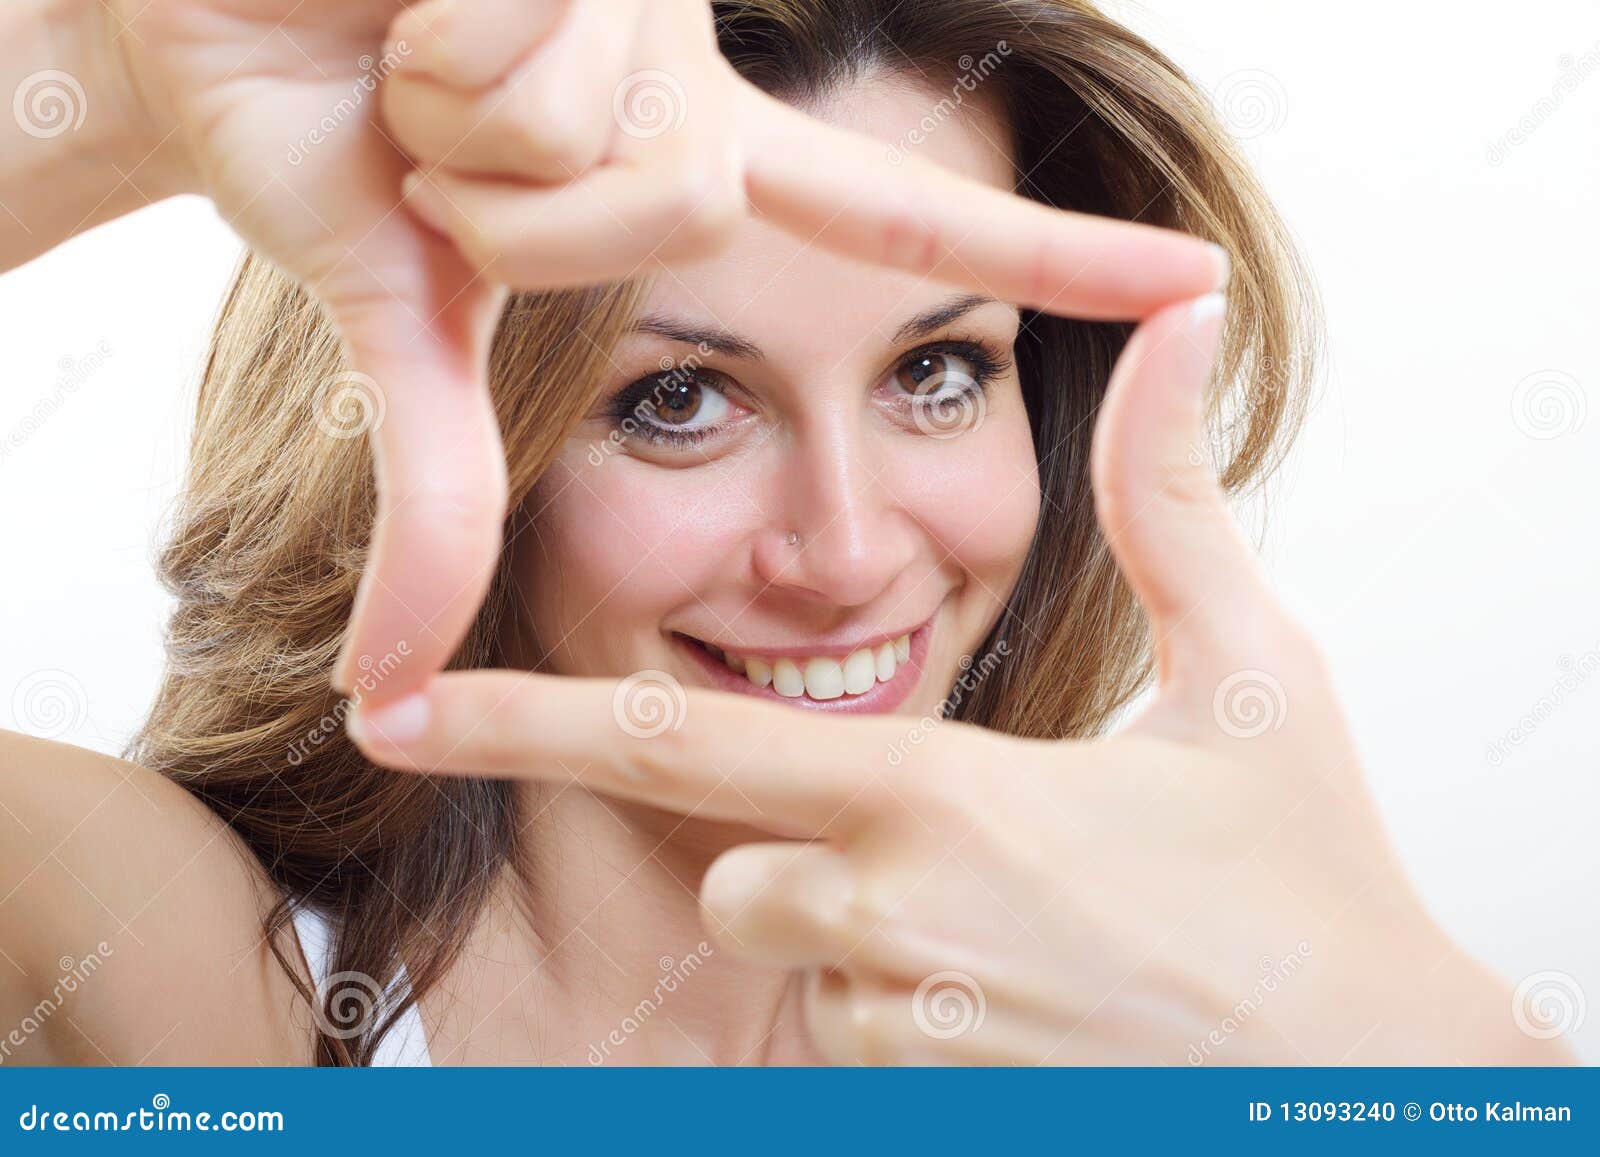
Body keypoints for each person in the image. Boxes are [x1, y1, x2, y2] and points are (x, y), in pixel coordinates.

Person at [0, 0, 1572, 1065]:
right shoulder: (195, 983)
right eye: (680, 398)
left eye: (939, 373)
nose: (843, 552)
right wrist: (90, 75)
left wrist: (1433, 1043)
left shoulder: (1173, 1037)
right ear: (479, 451)